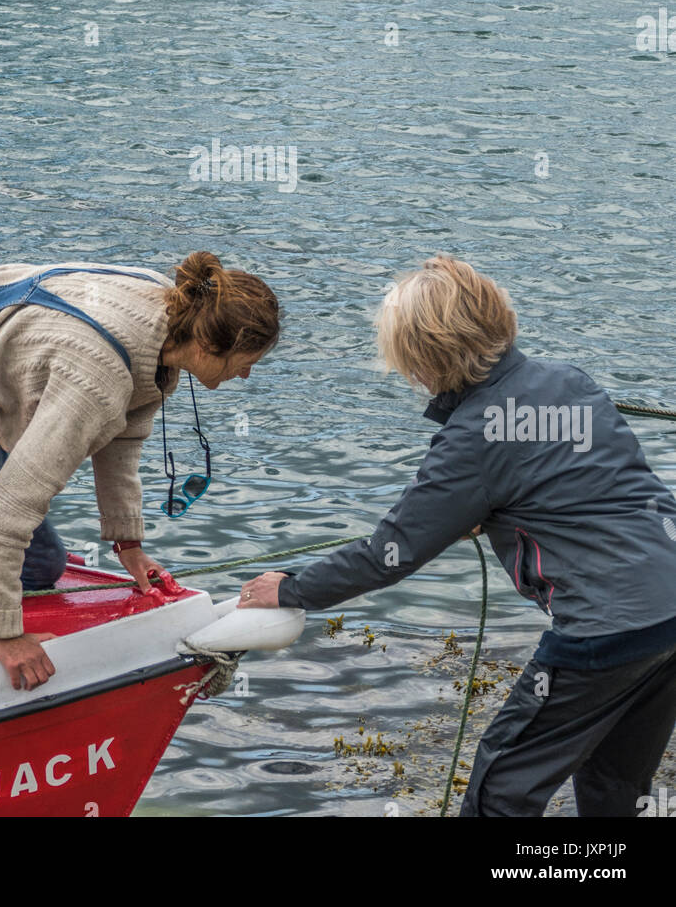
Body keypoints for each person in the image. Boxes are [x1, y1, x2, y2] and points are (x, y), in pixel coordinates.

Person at [239, 254, 676, 817]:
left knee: (502, 787)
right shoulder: (568, 379)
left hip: (605, 628)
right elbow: (591, 486)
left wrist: (292, 589)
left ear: (425, 355)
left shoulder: (472, 439)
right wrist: (488, 504)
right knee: (618, 783)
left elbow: (388, 554)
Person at [0, 252, 280, 692]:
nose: (245, 377)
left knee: (31, 534)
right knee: (41, 563)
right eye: (247, 362)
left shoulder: (174, 312)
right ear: (208, 345)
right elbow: (8, 509)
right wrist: (4, 633)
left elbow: (123, 435)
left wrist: (129, 544)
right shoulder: (97, 379)